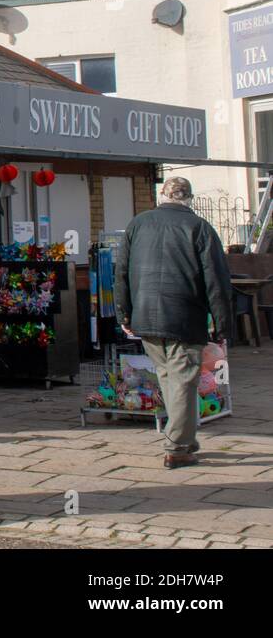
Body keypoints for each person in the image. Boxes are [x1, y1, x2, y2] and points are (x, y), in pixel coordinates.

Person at [114, 177, 233, 469]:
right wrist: (222, 324)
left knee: (170, 379)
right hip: (183, 317)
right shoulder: (200, 228)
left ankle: (186, 440)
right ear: (189, 199)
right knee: (182, 382)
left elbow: (122, 273)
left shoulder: (138, 224)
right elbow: (216, 280)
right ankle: (178, 448)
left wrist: (124, 314)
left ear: (162, 196)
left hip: (145, 318)